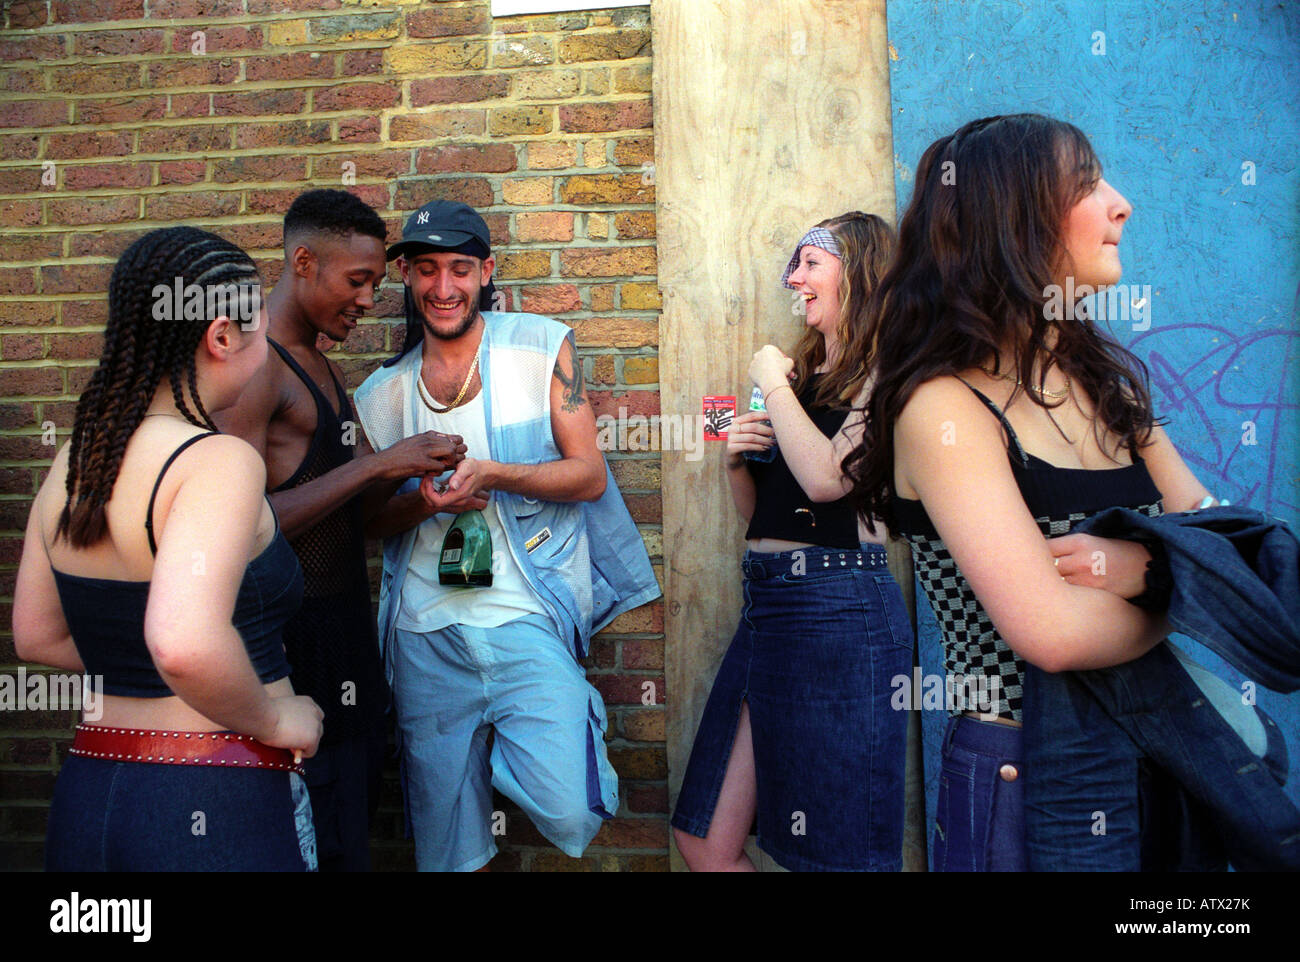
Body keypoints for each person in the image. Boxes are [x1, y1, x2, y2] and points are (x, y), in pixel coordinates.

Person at [845, 113, 1287, 870]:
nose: (1121, 204)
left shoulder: (1106, 386)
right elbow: (1049, 633)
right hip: (1026, 776)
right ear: (1009, 218)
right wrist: (1180, 588)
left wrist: (1143, 571)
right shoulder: (945, 408)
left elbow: (1238, 554)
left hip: (1160, 755)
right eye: (1086, 185)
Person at [353, 199, 661, 872]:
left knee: (571, 802)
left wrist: (494, 472)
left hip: (524, 616)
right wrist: (426, 505)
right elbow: (370, 524)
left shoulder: (541, 346)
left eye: (460, 269)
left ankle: (497, 749)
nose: (443, 287)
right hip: (423, 636)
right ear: (405, 276)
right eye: (427, 269)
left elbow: (586, 477)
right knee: (447, 851)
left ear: (485, 271)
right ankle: (459, 770)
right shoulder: (380, 393)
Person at [13, 226, 324, 871]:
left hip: (91, 798)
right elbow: (182, 643)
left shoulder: (77, 462)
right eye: (260, 330)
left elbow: (36, 637)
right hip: (211, 799)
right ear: (221, 336)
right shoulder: (217, 462)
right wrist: (274, 719)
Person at [213, 189, 465, 871]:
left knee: (351, 826)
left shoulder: (323, 368)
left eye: (376, 284)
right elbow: (235, 526)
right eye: (357, 282)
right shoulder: (255, 366)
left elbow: (368, 514)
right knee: (307, 834)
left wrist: (429, 493)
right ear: (303, 261)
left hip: (345, 630)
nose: (367, 300)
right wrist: (385, 462)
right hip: (289, 641)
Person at [671, 211, 913, 871]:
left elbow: (830, 478)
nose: (793, 279)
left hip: (840, 609)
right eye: (793, 265)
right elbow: (766, 514)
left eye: (810, 262)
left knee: (836, 860)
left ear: (859, 272)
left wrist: (772, 382)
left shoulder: (891, 375)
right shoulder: (799, 380)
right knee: (704, 838)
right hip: (769, 606)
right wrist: (734, 460)